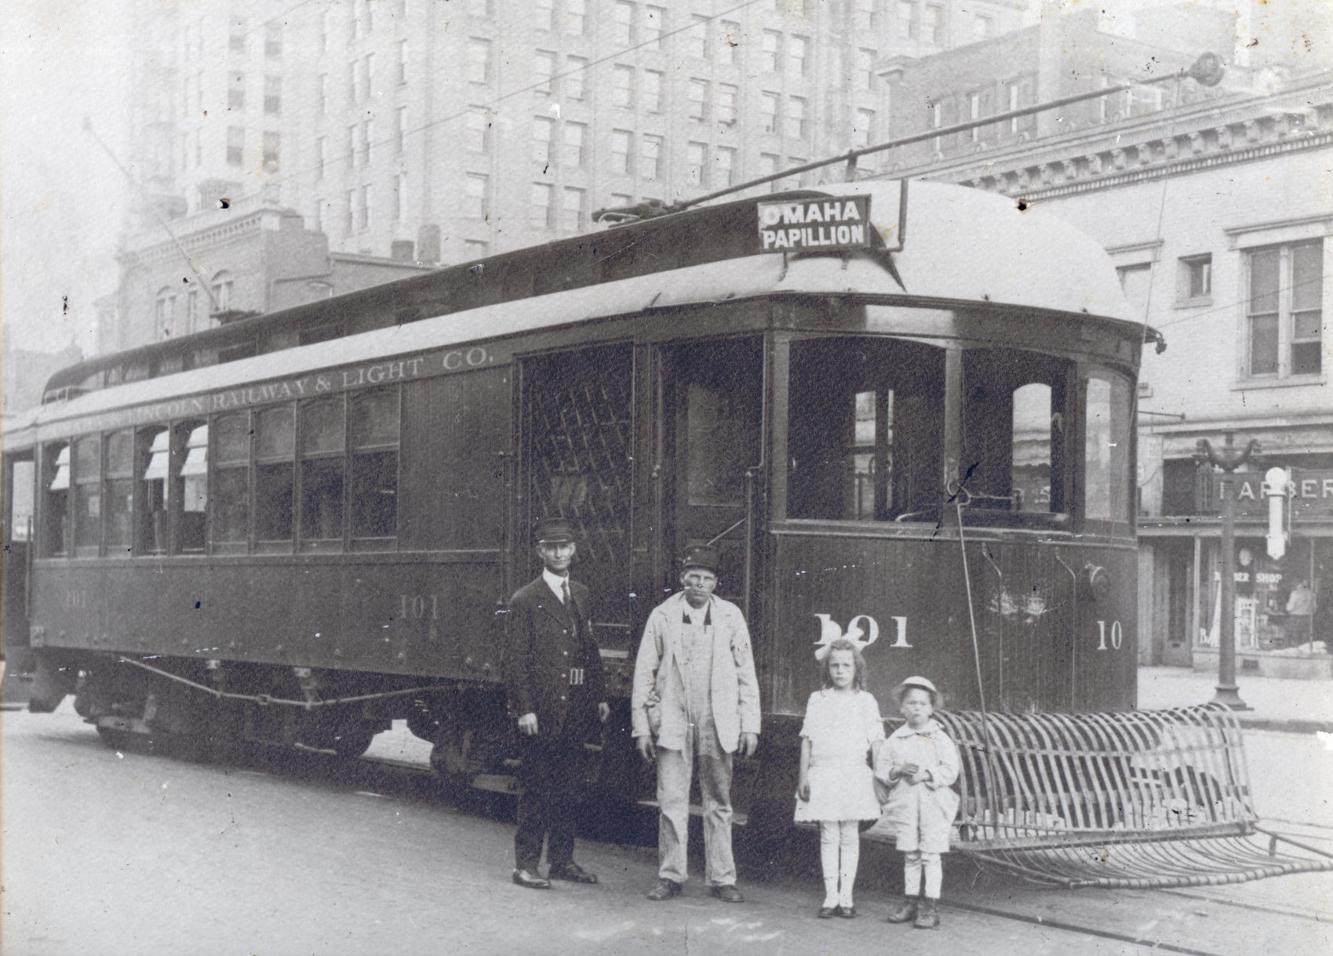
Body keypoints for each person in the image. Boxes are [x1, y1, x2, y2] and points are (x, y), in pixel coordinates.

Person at [631, 544, 760, 903]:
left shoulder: (731, 617)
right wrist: (642, 726)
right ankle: (670, 875)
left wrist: (750, 724)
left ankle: (722, 878)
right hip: (673, 718)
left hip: (716, 720)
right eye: (694, 577)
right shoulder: (662, 616)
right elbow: (644, 674)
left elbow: (745, 673)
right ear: (683, 578)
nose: (700, 584)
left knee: (719, 801)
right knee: (671, 800)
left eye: (707, 578)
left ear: (716, 583)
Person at [501, 517, 610, 890]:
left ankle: (562, 861)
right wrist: (525, 709)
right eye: (551, 547)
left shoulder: (580, 593)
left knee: (567, 789)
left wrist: (598, 696)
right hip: (542, 710)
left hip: (575, 709)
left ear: (574, 550)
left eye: (564, 546)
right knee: (536, 789)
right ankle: (526, 865)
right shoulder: (525, 600)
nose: (559, 553)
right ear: (540, 552)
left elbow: (589, 650)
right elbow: (514, 662)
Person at [794, 637, 884, 919]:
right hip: (824, 773)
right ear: (827, 669)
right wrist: (803, 777)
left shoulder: (866, 701)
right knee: (828, 834)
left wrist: (880, 777)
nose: (840, 671)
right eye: (834, 665)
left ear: (856, 668)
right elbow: (807, 740)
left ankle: (847, 897)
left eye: (846, 665)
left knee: (849, 835)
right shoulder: (818, 699)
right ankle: (830, 895)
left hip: (854, 773)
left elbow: (877, 742)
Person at [874, 676, 959, 930]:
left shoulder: (939, 738)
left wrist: (927, 774)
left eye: (923, 703)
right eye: (911, 703)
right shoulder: (896, 739)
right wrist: (897, 771)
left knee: (931, 855)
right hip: (907, 804)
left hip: (933, 804)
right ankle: (910, 902)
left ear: (931, 708)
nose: (917, 708)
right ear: (902, 708)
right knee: (911, 854)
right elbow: (883, 768)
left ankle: (930, 907)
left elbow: (951, 769)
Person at [1285, 581, 1315, 648]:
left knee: (1294, 635)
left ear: (1298, 585)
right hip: (1307, 617)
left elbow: (1290, 608)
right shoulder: (1312, 594)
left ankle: (1295, 650)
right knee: (1305, 636)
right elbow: (1314, 608)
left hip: (1295, 617)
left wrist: (1287, 606)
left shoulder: (1295, 594)